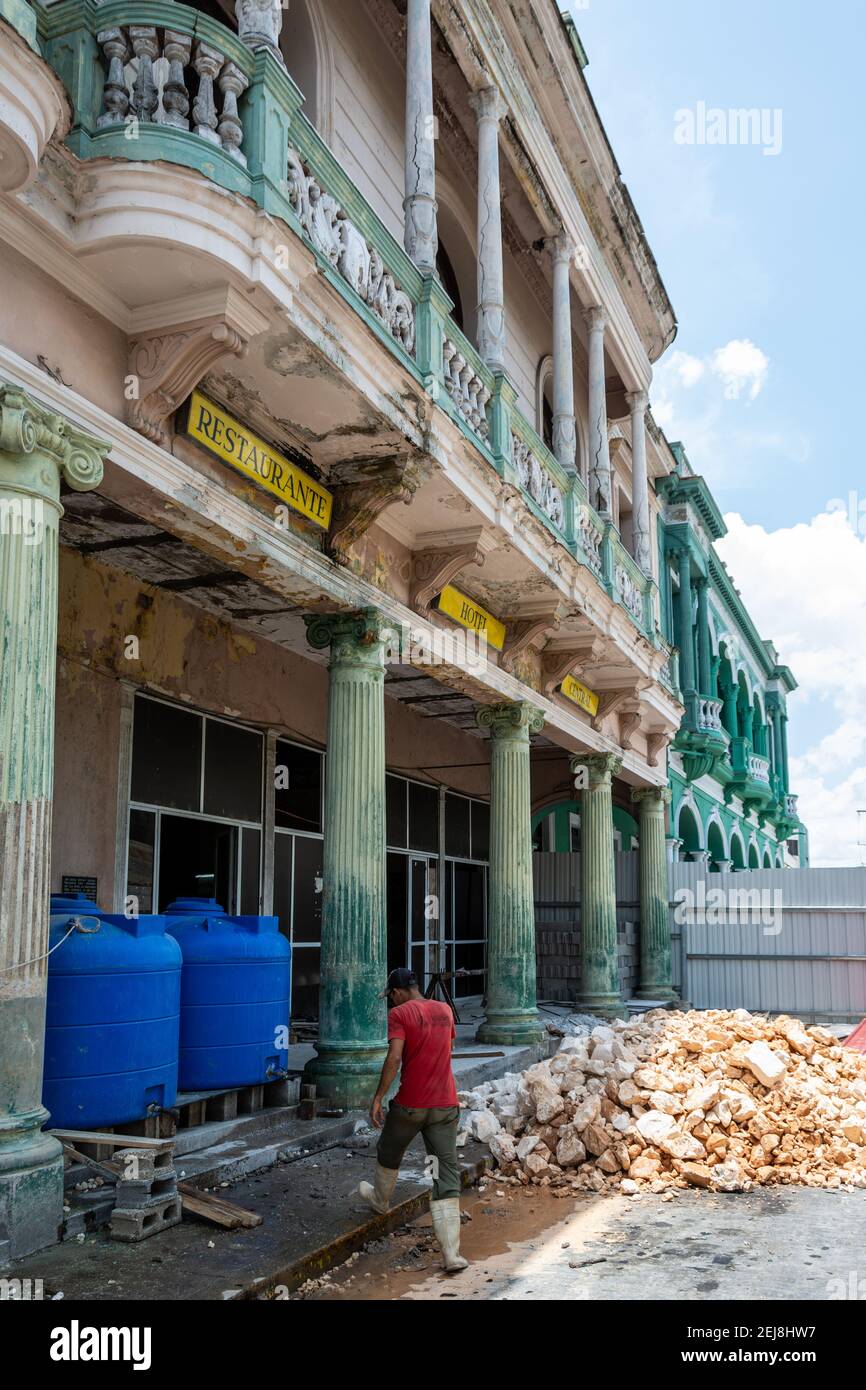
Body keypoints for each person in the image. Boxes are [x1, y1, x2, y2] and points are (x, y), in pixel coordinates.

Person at [358, 967, 468, 1273]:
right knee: (444, 1172)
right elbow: (448, 1050)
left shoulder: (400, 1014)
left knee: (389, 1151)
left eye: (389, 997)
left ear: (396, 992)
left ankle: (381, 1200)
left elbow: (394, 1057)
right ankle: (451, 1255)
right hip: (445, 1104)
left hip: (410, 1105)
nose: (390, 1003)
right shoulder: (444, 1010)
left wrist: (379, 1097)